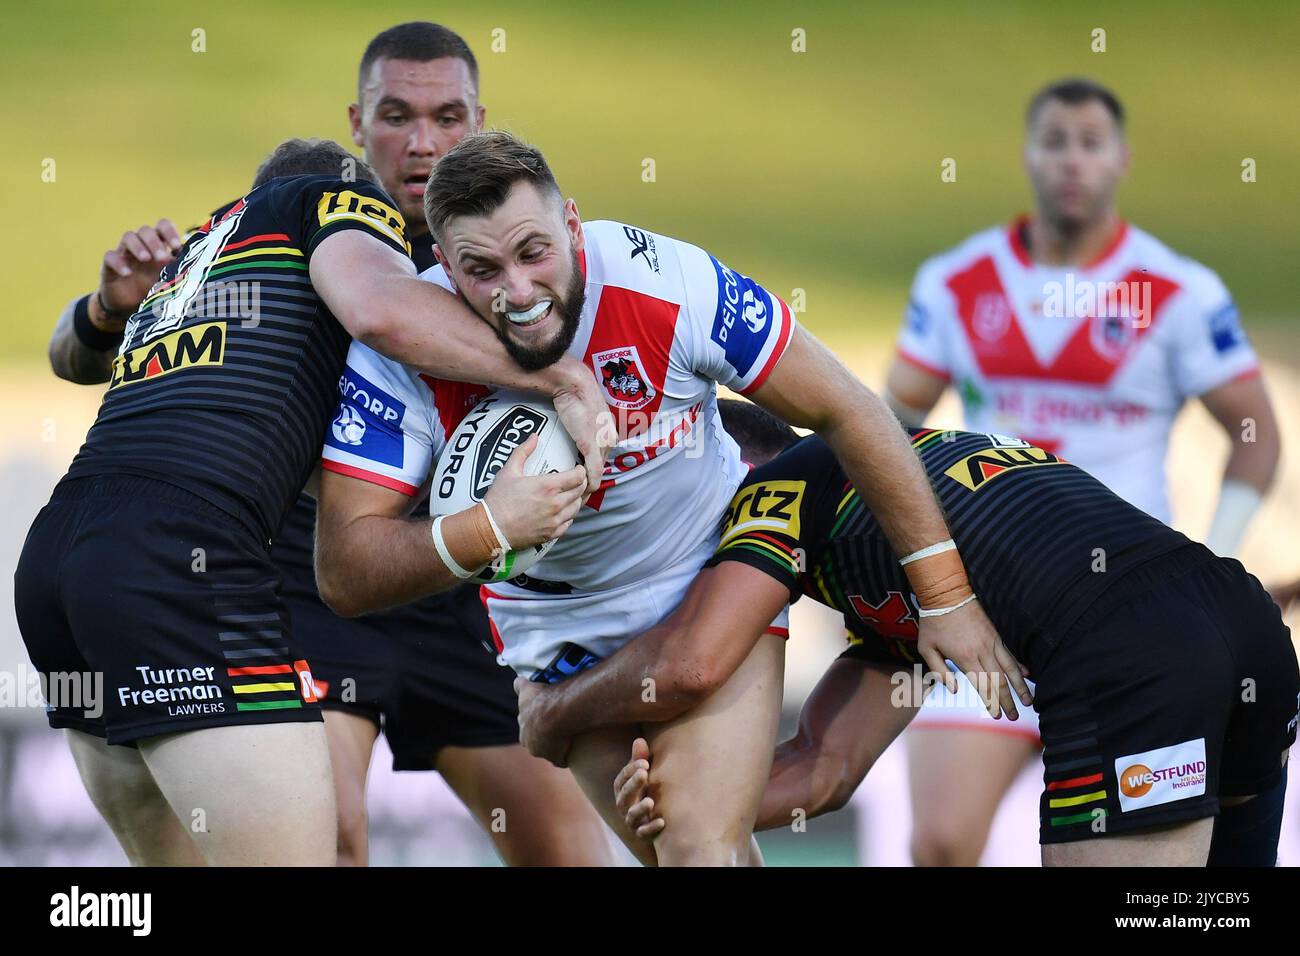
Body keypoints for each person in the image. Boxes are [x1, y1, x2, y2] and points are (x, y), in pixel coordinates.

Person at [314, 129, 1021, 867]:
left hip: (708, 571)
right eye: (481, 270)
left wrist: (943, 596)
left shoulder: (668, 285)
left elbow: (848, 407)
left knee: (696, 844)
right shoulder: (403, 354)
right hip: (557, 629)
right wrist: (488, 528)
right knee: (688, 853)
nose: (517, 294)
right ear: (445, 272)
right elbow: (345, 572)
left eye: (533, 253)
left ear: (575, 227)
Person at [44, 20, 614, 867]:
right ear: (358, 121)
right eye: (396, 116)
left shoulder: (503, 250)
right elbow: (79, 358)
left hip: (459, 581)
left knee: (566, 849)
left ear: (479, 121)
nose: (422, 144)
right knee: (332, 832)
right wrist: (104, 308)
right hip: (313, 571)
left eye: (447, 118)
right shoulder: (321, 212)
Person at [517, 401, 1298, 867]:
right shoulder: (898, 558)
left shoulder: (777, 484)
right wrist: (688, 805)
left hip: (1127, 656)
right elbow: (824, 769)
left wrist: (557, 712)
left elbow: (691, 661)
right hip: (1241, 622)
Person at [882, 77, 1283, 866]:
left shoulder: (1176, 292)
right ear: (1029, 155)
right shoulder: (956, 282)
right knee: (938, 842)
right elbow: (885, 430)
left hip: (1128, 609)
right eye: (1055, 142)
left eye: (1091, 144)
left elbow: (1256, 434)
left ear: (1122, 161)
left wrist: (1221, 555)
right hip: (989, 605)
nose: (1072, 162)